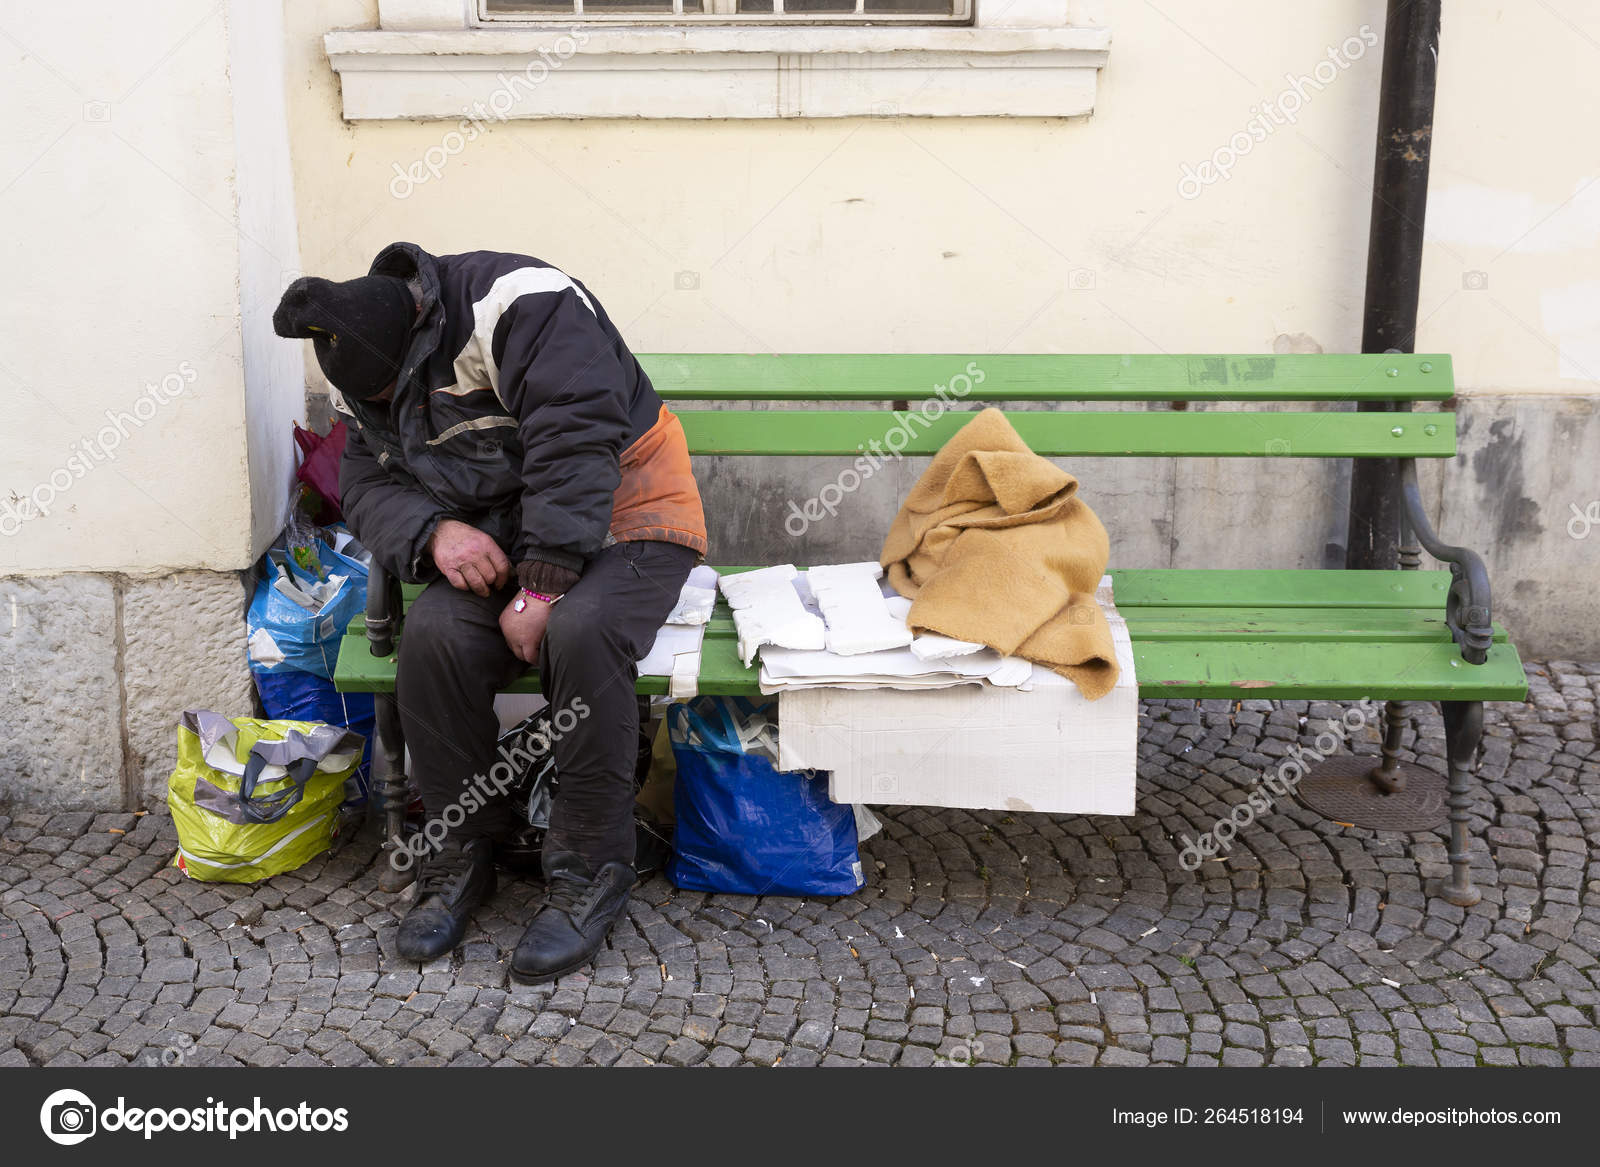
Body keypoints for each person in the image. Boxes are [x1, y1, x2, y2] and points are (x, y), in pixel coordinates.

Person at [273, 243, 706, 982]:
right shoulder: (364, 366)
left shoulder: (520, 303)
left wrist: (541, 591)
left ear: (413, 343)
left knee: (583, 627)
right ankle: (459, 853)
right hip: (515, 534)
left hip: (631, 515)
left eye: (388, 397)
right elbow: (366, 481)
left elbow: (575, 440)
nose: (380, 413)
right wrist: (433, 531)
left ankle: (590, 869)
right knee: (435, 636)